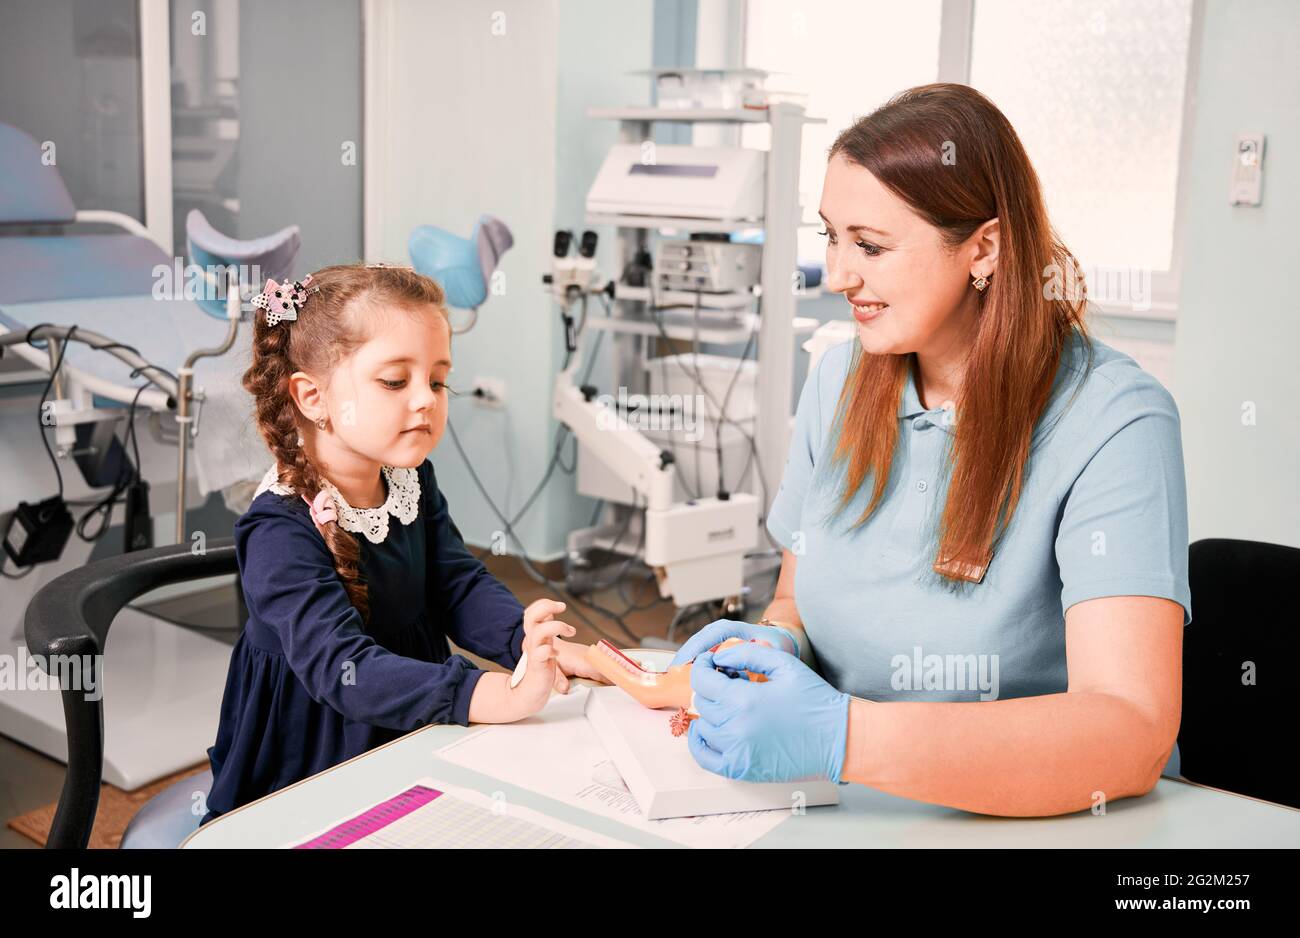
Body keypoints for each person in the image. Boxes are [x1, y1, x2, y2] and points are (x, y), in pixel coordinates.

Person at [671, 84, 1192, 818]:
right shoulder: (838, 381)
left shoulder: (1114, 421)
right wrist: (774, 648)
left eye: (872, 246)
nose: (840, 274)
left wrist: (844, 736)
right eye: (831, 236)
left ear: (983, 247)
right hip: (845, 807)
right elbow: (794, 598)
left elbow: (1129, 731)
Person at [201, 264, 608, 823]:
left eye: (438, 381)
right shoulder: (279, 529)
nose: (426, 401)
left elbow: (457, 586)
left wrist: (531, 644)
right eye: (396, 381)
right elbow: (344, 668)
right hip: (317, 751)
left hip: (413, 712)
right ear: (313, 397)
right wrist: (490, 696)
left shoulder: (410, 481)